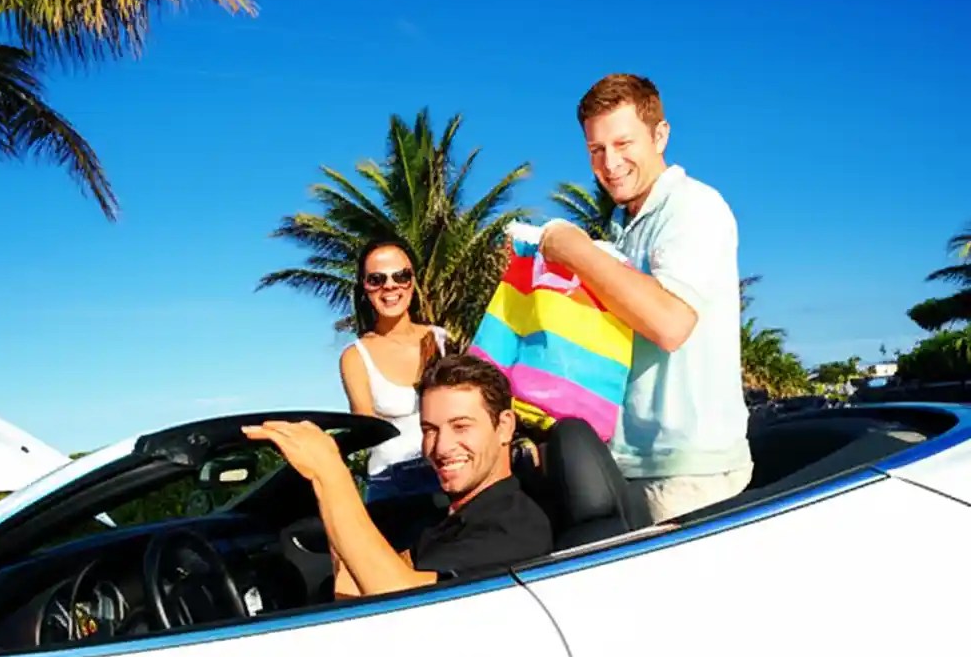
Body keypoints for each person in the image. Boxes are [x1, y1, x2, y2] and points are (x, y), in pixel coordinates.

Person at [537, 73, 752, 523]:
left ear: (660, 135)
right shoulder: (625, 227)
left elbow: (670, 323)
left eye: (623, 143)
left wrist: (573, 249)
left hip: (690, 473)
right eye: (596, 150)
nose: (609, 163)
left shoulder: (694, 207)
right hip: (632, 464)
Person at [244, 354, 554, 598]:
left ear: (504, 427)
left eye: (461, 426)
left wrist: (330, 473)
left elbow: (402, 601)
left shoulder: (514, 526)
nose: (441, 447)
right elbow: (357, 592)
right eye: (429, 430)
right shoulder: (449, 516)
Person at [338, 238, 448, 502]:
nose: (390, 285)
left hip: (448, 472)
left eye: (401, 276)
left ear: (413, 282)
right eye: (376, 279)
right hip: (392, 483)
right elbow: (366, 431)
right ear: (364, 288)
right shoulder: (355, 357)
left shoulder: (442, 340)